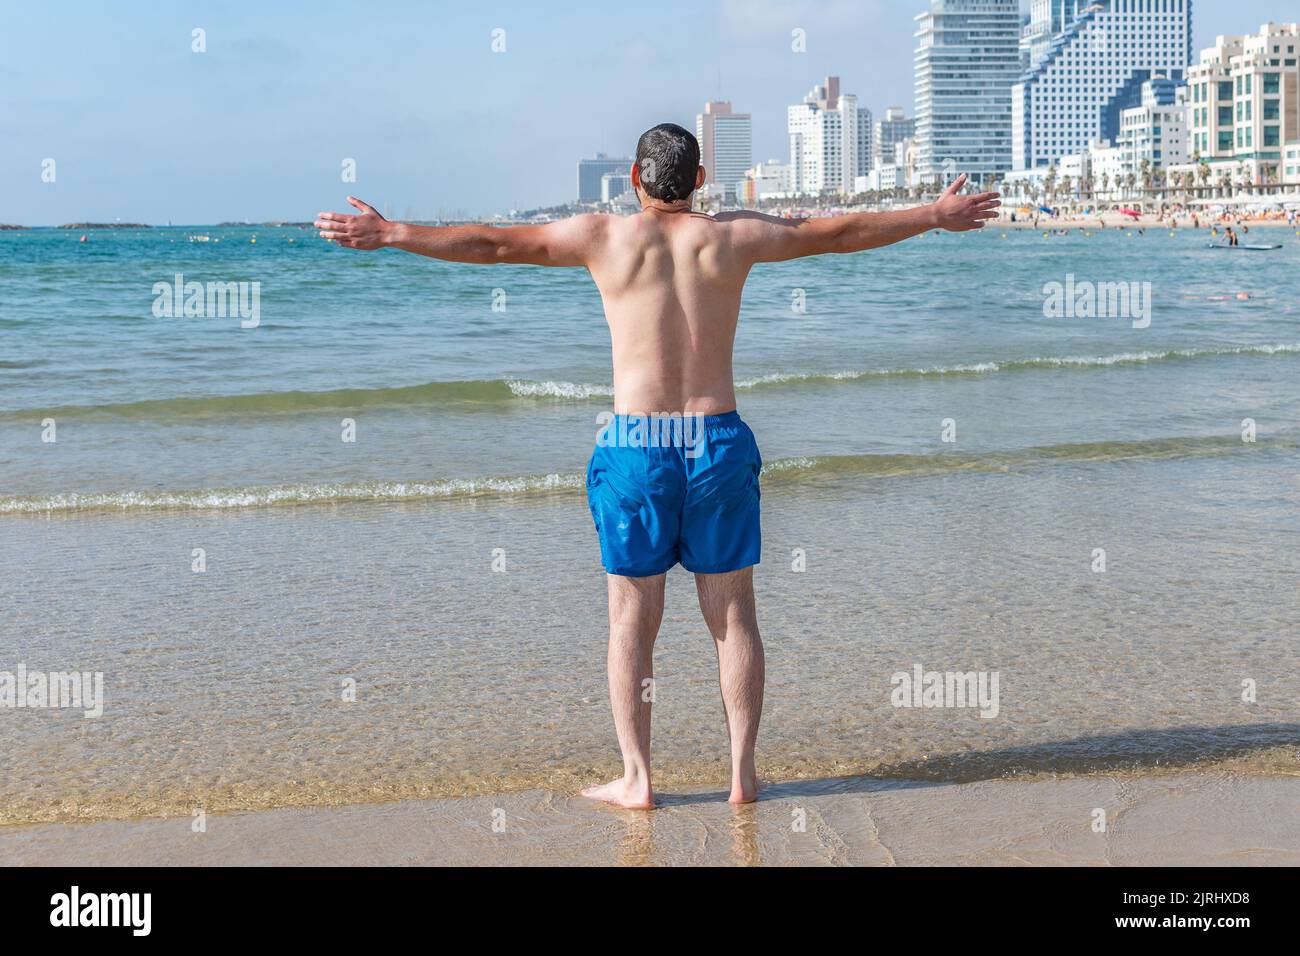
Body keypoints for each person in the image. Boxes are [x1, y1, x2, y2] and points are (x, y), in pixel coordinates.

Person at [314, 123, 998, 809]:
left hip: (637, 447)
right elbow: (839, 231)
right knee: (733, 617)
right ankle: (741, 776)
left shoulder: (602, 238)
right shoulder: (735, 236)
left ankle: (638, 779)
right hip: (717, 441)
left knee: (631, 621)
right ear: (700, 182)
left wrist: (394, 233)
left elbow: (492, 244)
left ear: (633, 179)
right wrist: (933, 217)